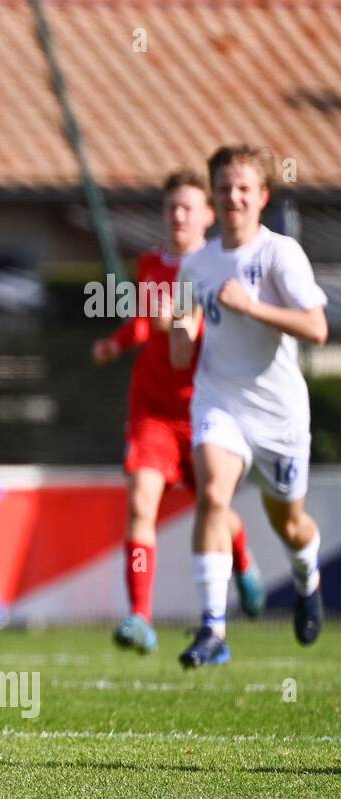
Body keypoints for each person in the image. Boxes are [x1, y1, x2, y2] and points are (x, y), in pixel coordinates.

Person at [91, 170, 264, 653]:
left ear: (209, 215)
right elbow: (145, 323)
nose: (179, 216)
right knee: (141, 505)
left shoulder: (221, 268)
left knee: (214, 507)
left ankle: (243, 560)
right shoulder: (150, 265)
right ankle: (140, 617)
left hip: (207, 409)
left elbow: (218, 334)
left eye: (189, 207)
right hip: (152, 411)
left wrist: (184, 325)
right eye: (172, 208)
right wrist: (117, 343)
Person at [170, 144, 328, 667]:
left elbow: (317, 328)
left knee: (289, 523)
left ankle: (307, 579)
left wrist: (253, 306)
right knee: (214, 494)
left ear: (262, 196)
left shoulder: (280, 254)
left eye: (243, 188)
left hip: (279, 415)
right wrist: (177, 326)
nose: (233, 197)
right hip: (221, 400)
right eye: (224, 188)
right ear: (213, 200)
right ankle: (213, 628)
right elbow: (179, 353)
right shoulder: (197, 265)